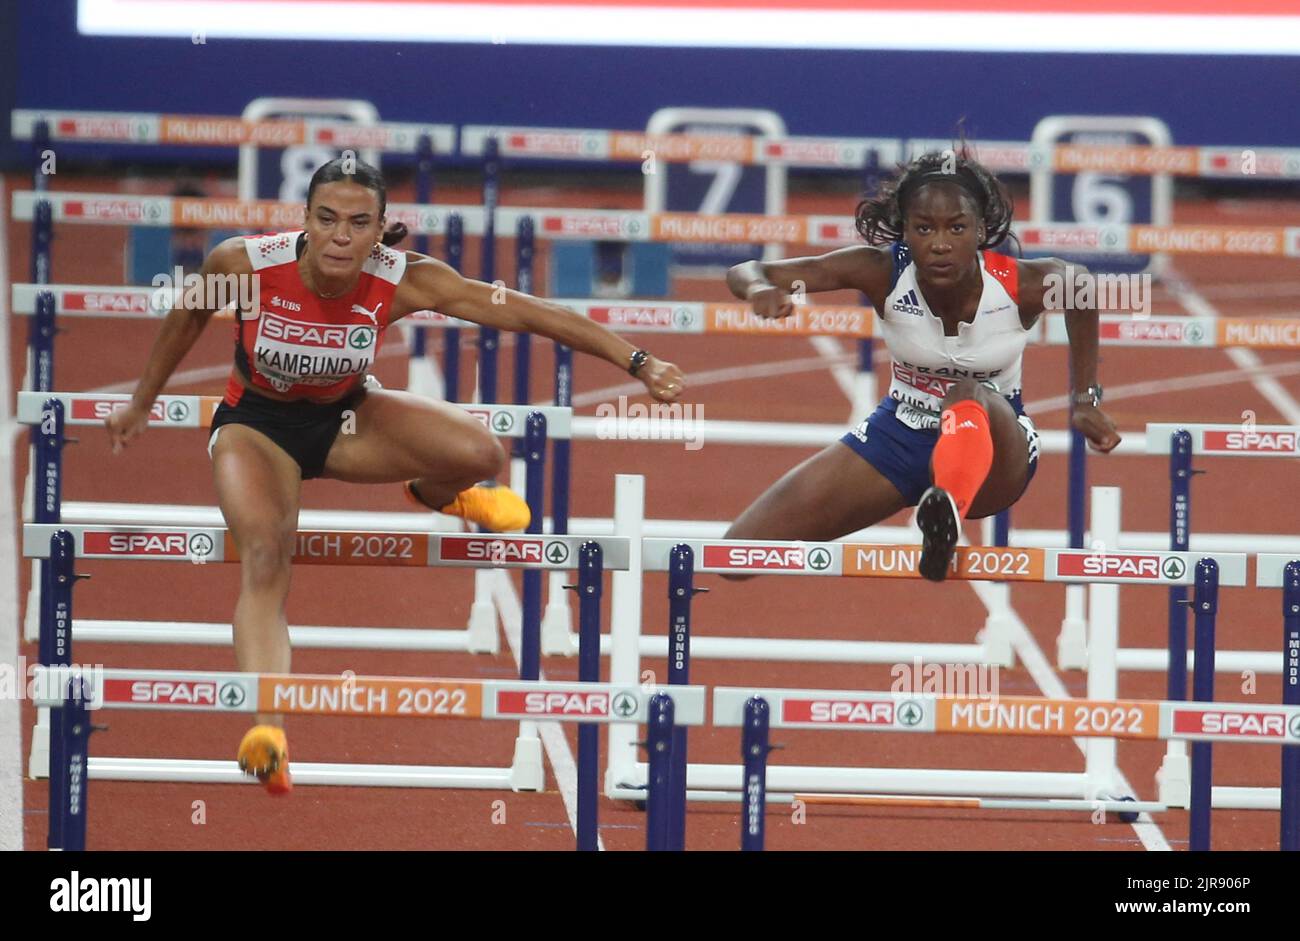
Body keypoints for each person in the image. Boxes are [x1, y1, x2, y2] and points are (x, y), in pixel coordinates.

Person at [106, 157, 685, 794]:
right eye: (326, 219)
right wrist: (142, 399)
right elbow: (185, 318)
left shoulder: (405, 279)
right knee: (267, 554)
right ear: (304, 218)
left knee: (483, 453)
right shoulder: (244, 266)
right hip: (257, 429)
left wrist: (637, 358)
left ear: (381, 230)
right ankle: (267, 730)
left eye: (358, 223)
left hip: (347, 423)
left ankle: (439, 494)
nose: (340, 236)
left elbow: (527, 312)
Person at [724, 150, 1120, 582]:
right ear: (905, 233)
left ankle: (944, 510)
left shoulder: (1018, 284)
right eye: (924, 228)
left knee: (967, 394)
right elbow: (748, 270)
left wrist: (1086, 398)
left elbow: (1081, 287)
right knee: (738, 556)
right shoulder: (880, 272)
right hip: (898, 436)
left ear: (981, 230)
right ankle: (938, 506)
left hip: (993, 449)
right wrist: (759, 289)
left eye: (957, 227)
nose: (940, 244)